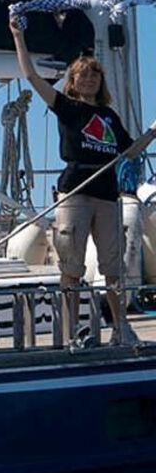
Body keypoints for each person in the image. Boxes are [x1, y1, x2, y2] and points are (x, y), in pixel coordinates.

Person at [11, 20, 153, 346]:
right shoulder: (67, 107)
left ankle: (120, 329)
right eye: (83, 75)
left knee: (113, 267)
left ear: (100, 81)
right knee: (71, 267)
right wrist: (19, 36)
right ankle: (71, 331)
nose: (89, 79)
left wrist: (152, 132)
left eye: (94, 75)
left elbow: (130, 151)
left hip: (106, 193)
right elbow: (31, 76)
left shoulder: (109, 116)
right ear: (73, 81)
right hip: (75, 190)